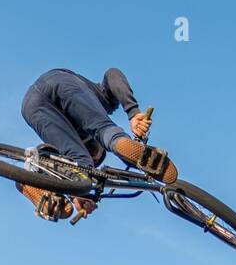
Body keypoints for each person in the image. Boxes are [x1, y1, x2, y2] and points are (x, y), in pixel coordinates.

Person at [16, 67, 177, 220]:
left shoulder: (72, 146)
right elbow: (112, 74)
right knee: (99, 133)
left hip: (30, 105)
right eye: (97, 156)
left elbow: (113, 73)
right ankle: (117, 141)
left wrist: (77, 193)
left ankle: (30, 180)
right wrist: (133, 112)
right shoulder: (100, 97)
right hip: (63, 81)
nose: (92, 157)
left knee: (70, 163)